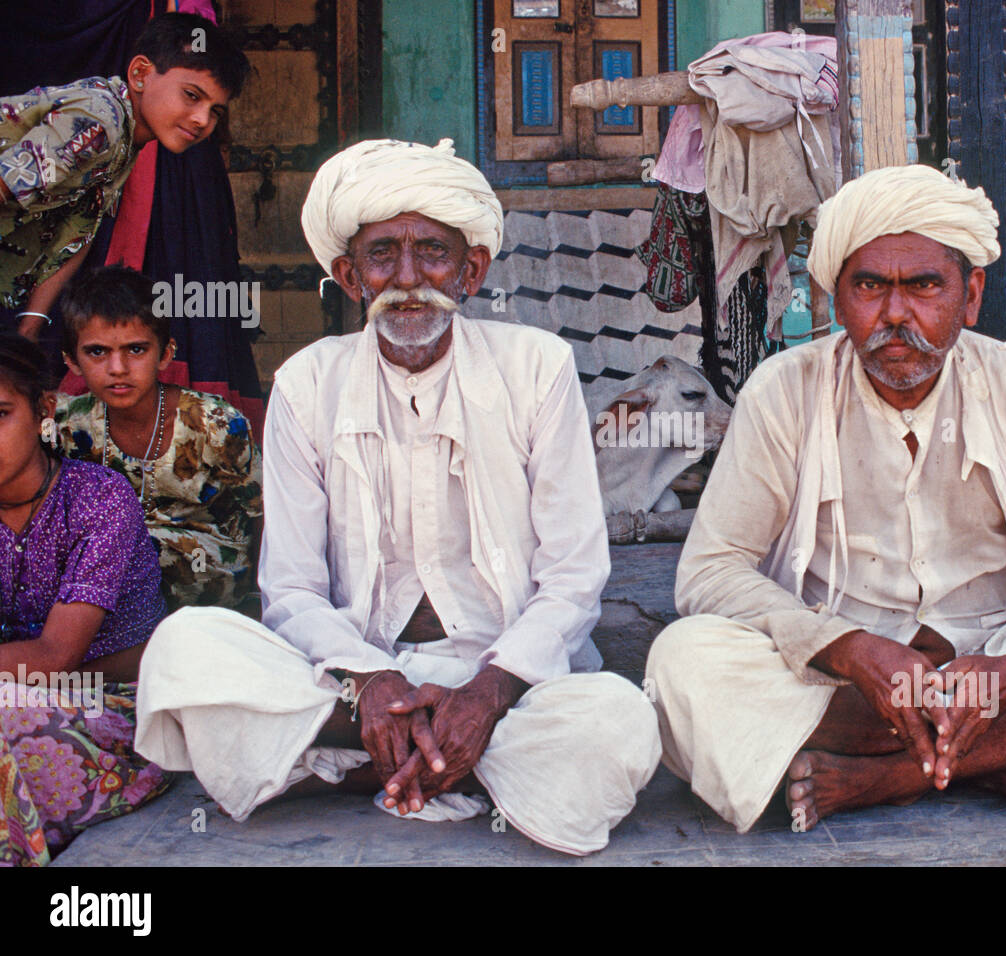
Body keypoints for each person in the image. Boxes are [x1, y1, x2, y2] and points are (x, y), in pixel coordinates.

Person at [645, 164, 1006, 833]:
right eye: (870, 286)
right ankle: (1002, 757)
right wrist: (846, 648)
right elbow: (710, 571)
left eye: (924, 286)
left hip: (999, 672)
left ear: (972, 294)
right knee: (682, 660)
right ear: (835, 299)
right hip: (845, 687)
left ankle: (890, 777)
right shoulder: (783, 392)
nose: (896, 314)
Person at [134, 139, 661, 856]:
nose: (409, 279)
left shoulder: (537, 368)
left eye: (433, 253)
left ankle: (375, 760)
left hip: (505, 684)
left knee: (619, 722)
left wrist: (487, 693)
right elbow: (289, 587)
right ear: (350, 275)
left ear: (472, 269)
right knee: (187, 648)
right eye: (383, 255)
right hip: (356, 686)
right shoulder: (306, 382)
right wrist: (371, 681)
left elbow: (573, 576)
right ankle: (440, 758)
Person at [0, 333, 170, 866]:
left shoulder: (98, 498)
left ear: (44, 409)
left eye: (0, 413)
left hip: (119, 714)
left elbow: (56, 659)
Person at [0, 12, 250, 341]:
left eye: (215, 110)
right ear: (140, 74)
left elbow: (77, 236)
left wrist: (29, 329)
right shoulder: (102, 122)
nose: (202, 119)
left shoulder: (125, 144)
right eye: (191, 95)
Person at [53, 265, 262, 613]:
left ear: (165, 354)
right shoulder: (66, 425)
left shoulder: (215, 423)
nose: (117, 368)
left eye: (136, 350)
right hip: (104, 568)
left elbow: (262, 512)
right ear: (71, 361)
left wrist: (264, 600)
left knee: (127, 553)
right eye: (97, 352)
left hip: (205, 571)